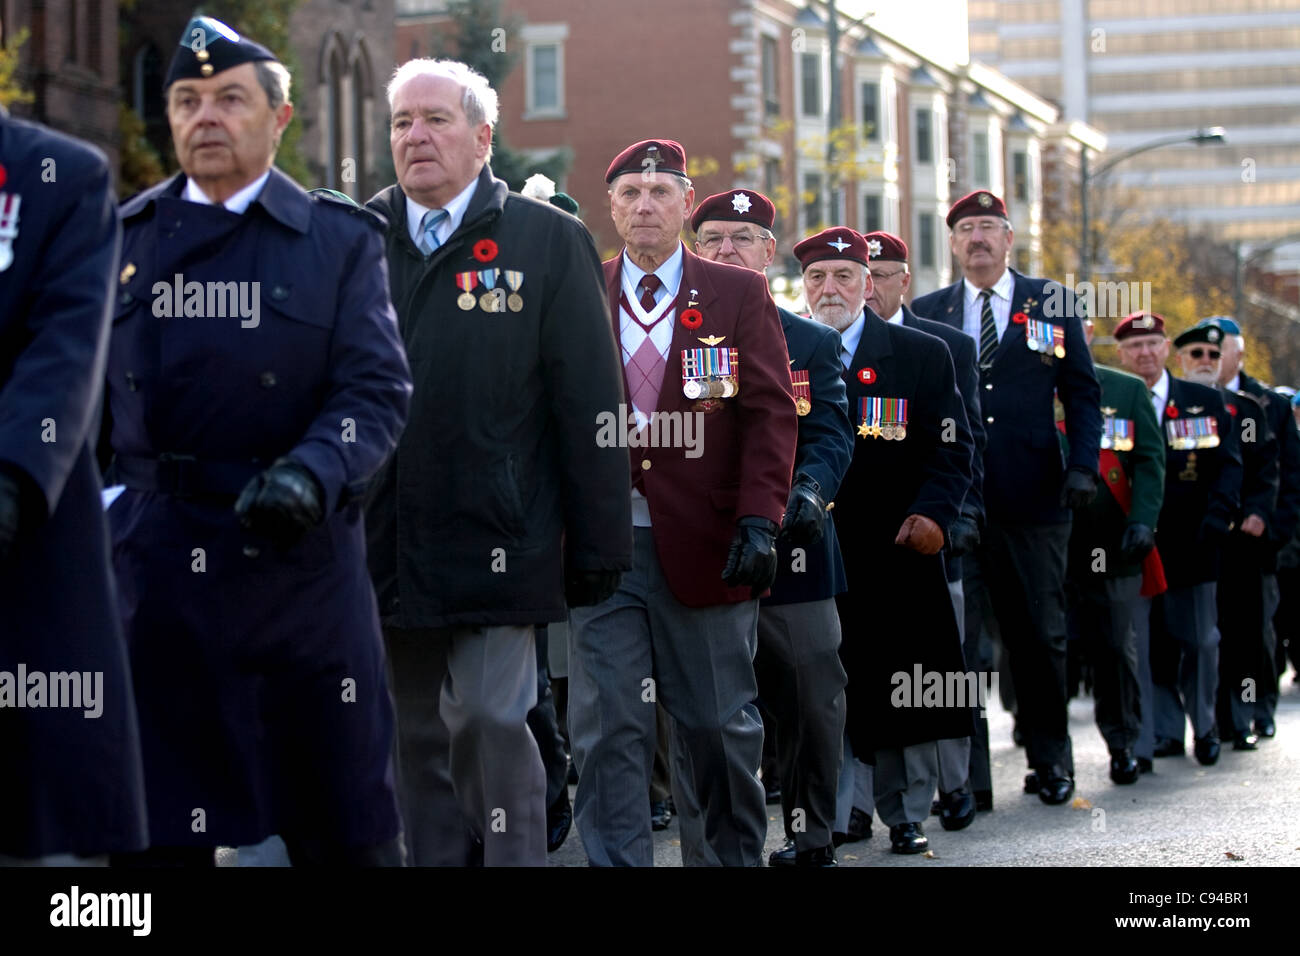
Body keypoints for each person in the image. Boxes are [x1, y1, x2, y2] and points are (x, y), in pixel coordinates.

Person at [104, 16, 412, 865]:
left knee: (342, 829)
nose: (206, 116)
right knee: (156, 829)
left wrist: (313, 473)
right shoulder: (120, 243)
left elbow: (376, 387)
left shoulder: (337, 242)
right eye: (187, 100)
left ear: (279, 119)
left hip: (298, 577)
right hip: (158, 577)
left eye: (230, 98)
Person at [364, 59, 632, 866]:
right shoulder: (358, 238)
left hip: (502, 536)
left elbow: (591, 405)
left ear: (483, 139)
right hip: (389, 539)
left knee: (487, 714)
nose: (416, 136)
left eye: (436, 120)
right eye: (403, 121)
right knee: (411, 734)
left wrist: (600, 545)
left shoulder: (548, 241)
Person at [567, 139, 798, 866]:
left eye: (660, 192)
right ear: (611, 207)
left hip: (708, 543)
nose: (644, 205)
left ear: (685, 206)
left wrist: (762, 517)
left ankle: (727, 859)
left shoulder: (737, 294)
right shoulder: (577, 289)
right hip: (602, 551)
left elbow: (769, 413)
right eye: (630, 193)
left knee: (716, 727)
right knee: (609, 728)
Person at [911, 189, 1102, 805]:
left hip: (1035, 497)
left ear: (1009, 238)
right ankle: (967, 779)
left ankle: (1051, 761)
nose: (978, 238)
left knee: (1038, 635)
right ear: (954, 241)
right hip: (957, 500)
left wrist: (1081, 468)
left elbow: (1082, 393)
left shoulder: (1052, 302)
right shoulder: (931, 311)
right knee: (960, 643)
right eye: (966, 228)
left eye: (989, 227)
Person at [0, 109, 149, 865]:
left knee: (42, 825)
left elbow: (65, 348)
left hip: (24, 542)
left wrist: (15, 474)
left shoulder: (61, 177)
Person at [692, 190, 854, 866]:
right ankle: (723, 841)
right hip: (702, 547)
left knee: (813, 699)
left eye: (744, 237)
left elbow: (830, 432)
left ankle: (812, 833)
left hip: (794, 548)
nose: (727, 250)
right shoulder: (676, 335)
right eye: (713, 239)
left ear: (767, 252)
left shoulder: (809, 340)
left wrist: (811, 495)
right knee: (709, 708)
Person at [801, 226, 974, 854]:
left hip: (898, 548)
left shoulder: (921, 354)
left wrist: (936, 514)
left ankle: (907, 812)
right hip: (816, 548)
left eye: (844, 276)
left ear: (869, 285)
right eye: (817, 277)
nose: (830, 289)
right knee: (830, 682)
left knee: (906, 681)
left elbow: (953, 447)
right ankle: (844, 808)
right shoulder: (785, 350)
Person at [862, 230, 988, 827]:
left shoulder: (944, 345)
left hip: (933, 532)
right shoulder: (818, 345)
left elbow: (967, 442)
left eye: (882, 273)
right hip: (856, 545)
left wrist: (955, 514)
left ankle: (955, 783)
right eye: (863, 272)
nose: (870, 285)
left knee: (938, 666)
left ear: (903, 279)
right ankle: (862, 805)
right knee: (869, 669)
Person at [1114, 313, 1241, 767]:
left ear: (1166, 347)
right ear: (1122, 354)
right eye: (1135, 346)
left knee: (1201, 640)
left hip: (1195, 541)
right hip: (1136, 544)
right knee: (1143, 644)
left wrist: (1220, 516)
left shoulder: (1202, 401)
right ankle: (1152, 737)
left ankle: (1204, 726)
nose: (1145, 353)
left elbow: (1229, 465)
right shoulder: (1116, 401)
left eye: (1152, 343)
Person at [1066, 318, 1165, 784]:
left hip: (1112, 540)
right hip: (1050, 539)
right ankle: (1048, 759)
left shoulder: (1124, 390)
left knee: (1114, 647)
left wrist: (1144, 518)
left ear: (1088, 333)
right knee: (1045, 648)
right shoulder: (1029, 390)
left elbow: (1148, 459)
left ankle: (1123, 743)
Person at [1171, 325, 1278, 753]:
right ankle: (1198, 724)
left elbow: (1264, 470)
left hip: (1239, 543)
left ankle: (1246, 715)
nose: (1204, 360)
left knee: (1244, 636)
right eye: (1195, 352)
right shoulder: (1173, 406)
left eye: (1212, 354)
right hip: (1193, 540)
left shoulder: (1247, 411)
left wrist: (1257, 514)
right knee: (1197, 637)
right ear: (1179, 358)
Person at [1200, 316, 1300, 739]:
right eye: (1204, 352)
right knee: (1216, 630)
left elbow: (1289, 475)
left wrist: (1275, 530)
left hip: (1256, 540)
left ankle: (1256, 707)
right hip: (1211, 537)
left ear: (1239, 354)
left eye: (1219, 350)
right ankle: (1226, 716)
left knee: (1256, 632)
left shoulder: (1267, 403)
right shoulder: (1195, 399)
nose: (1212, 358)